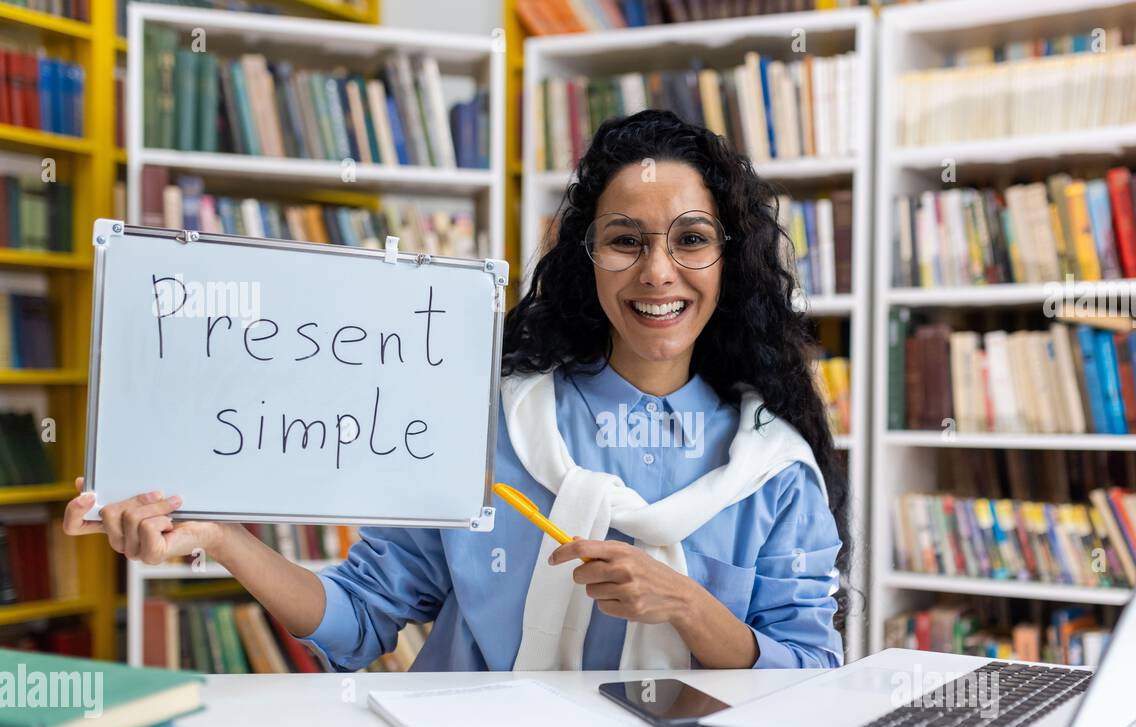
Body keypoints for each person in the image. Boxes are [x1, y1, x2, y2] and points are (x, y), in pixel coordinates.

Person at [64, 109, 849, 672]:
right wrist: (227, 539)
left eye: (691, 239)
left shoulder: (772, 470)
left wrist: (688, 606)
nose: (656, 271)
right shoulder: (489, 423)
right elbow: (364, 617)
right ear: (589, 258)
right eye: (625, 240)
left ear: (726, 258)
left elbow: (808, 673)